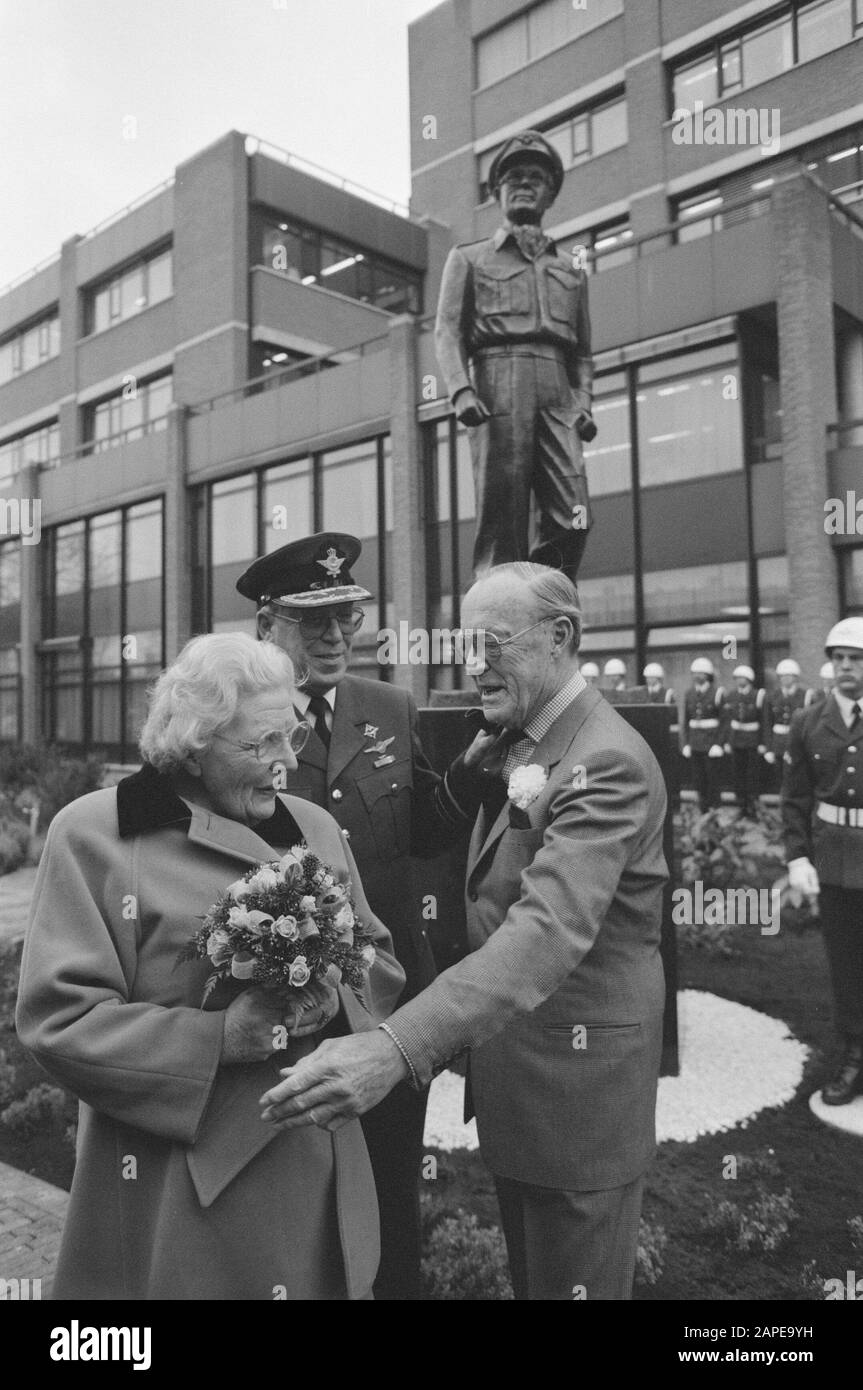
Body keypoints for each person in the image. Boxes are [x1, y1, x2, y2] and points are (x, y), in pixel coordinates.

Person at [260, 562, 669, 1301]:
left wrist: (396, 1047)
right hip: (528, 1092)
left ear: (559, 637)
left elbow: (541, 934)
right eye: (463, 644)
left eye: (491, 643)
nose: (471, 665)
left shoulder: (601, 763)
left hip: (575, 1105)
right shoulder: (529, 743)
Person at [15, 634, 404, 1299]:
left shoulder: (311, 825)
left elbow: (380, 961)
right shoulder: (95, 834)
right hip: (175, 1192)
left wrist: (335, 993)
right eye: (259, 746)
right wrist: (220, 1038)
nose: (285, 763)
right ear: (193, 743)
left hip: (317, 1168)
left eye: (293, 738)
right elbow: (59, 1022)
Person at [237, 531, 479, 1301]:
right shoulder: (238, 718)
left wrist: (478, 779)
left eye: (346, 616)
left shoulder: (387, 705)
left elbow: (422, 833)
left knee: (389, 1196)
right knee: (291, 1202)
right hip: (285, 1007)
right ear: (268, 627)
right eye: (315, 621)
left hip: (385, 1004)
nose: (337, 635)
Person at [435, 130, 595, 582]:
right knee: (502, 516)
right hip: (497, 382)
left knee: (574, 513)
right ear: (497, 191)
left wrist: (583, 403)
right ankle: (498, 610)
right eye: (515, 177)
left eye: (537, 178)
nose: (525, 184)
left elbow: (583, 352)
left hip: (558, 390)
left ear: (550, 193)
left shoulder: (571, 271)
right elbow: (447, 330)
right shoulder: (469, 259)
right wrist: (461, 391)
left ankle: (542, 600)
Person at [783, 618, 863, 1106]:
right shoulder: (807, 722)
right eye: (840, 659)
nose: (847, 668)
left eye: (856, 659)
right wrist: (796, 858)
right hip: (834, 862)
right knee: (846, 966)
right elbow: (794, 799)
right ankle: (854, 1056)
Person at [721, 665, 766, 819]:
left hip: (752, 740)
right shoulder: (731, 695)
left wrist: (763, 743)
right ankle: (741, 806)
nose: (739, 680)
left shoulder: (758, 695)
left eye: (742, 678)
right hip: (736, 740)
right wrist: (727, 740)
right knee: (738, 775)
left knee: (752, 775)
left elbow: (764, 721)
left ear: (749, 679)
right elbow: (727, 720)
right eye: (737, 678)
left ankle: (753, 808)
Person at [681, 657, 725, 811]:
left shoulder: (717, 693)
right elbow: (686, 721)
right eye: (694, 673)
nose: (697, 676)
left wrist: (718, 744)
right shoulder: (689, 693)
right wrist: (686, 743)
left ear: (708, 675)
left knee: (713, 781)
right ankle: (703, 811)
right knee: (699, 781)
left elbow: (724, 721)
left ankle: (715, 815)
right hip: (695, 744)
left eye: (701, 673)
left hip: (711, 743)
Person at [764, 658, 812, 768]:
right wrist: (769, 748)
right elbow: (767, 723)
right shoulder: (772, 696)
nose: (785, 679)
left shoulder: (805, 695)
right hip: (778, 744)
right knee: (779, 777)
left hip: (798, 743)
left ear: (795, 677)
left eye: (788, 675)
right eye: (782, 676)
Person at [644, 662, 679, 742]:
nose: (648, 680)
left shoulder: (668, 694)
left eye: (651, 677)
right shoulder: (643, 693)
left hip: (663, 733)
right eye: (647, 677)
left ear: (658, 678)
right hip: (648, 733)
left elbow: (673, 718)